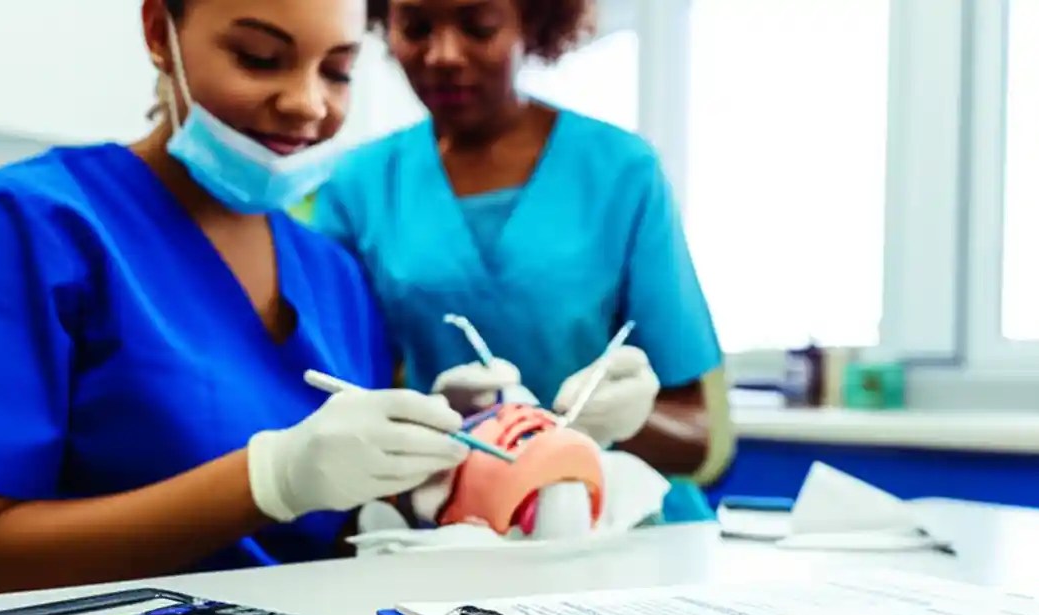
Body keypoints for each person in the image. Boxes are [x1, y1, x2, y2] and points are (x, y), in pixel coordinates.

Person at [0, 0, 470, 597]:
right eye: (260, 59)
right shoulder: (26, 225)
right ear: (158, 33)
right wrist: (266, 482)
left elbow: (345, 531)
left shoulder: (334, 276)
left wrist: (440, 463)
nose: (307, 102)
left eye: (336, 71)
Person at [309, 0, 735, 505]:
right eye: (417, 28)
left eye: (479, 27)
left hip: (615, 523)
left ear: (533, 23)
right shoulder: (358, 186)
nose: (443, 54)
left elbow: (704, 439)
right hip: (449, 525)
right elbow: (331, 404)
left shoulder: (621, 171)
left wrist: (627, 421)